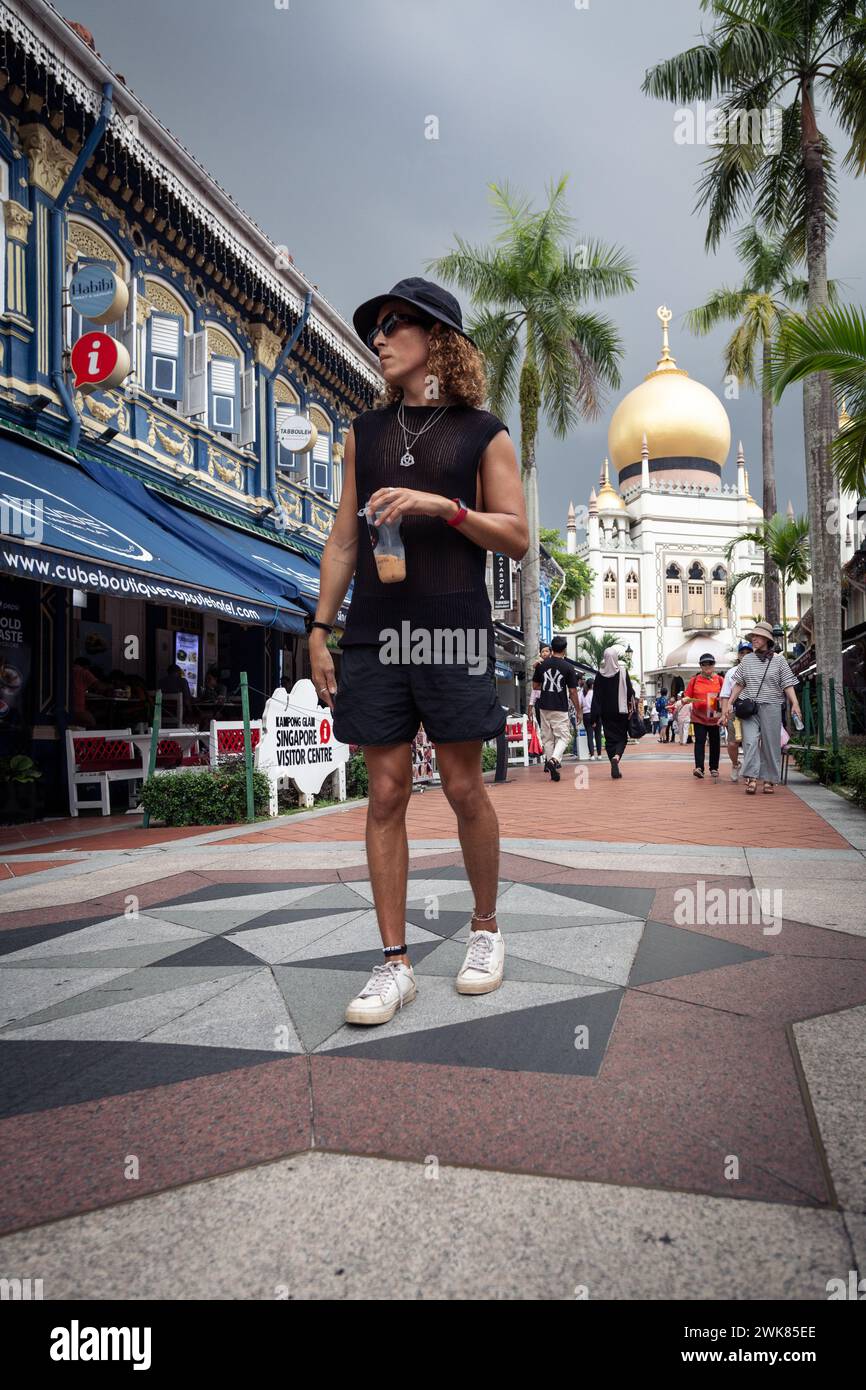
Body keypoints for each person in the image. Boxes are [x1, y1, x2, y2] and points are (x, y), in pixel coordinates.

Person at [309, 276, 528, 1024]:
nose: (378, 338)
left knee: (465, 788)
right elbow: (343, 539)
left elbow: (517, 536)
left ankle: (487, 929)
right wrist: (319, 627)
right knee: (386, 792)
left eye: (393, 324)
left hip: (453, 626)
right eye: (374, 327)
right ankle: (394, 961)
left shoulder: (482, 433)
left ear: (436, 339)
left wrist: (444, 505)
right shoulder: (362, 435)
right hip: (375, 629)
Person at [727, 622, 803, 794]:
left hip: (772, 706)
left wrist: (795, 703)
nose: (754, 639)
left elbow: (787, 683)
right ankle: (752, 778)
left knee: (770, 743)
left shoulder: (779, 660)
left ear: (767, 639)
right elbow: (739, 683)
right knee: (750, 741)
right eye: (753, 636)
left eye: (758, 636)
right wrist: (730, 703)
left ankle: (769, 779)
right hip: (749, 707)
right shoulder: (747, 660)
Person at [532, 635, 581, 782]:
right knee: (564, 737)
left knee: (547, 738)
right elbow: (572, 691)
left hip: (543, 706)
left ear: (552, 649)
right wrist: (578, 710)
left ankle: (550, 764)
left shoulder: (541, 664)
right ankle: (553, 760)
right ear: (564, 649)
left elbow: (535, 686)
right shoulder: (568, 667)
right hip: (559, 707)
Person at [593, 643, 635, 779]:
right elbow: (630, 691)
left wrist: (594, 717)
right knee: (622, 737)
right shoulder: (622, 671)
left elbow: (596, 697)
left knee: (610, 738)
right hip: (621, 711)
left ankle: (612, 758)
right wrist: (631, 706)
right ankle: (616, 757)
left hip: (606, 713)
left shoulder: (599, 675)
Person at [681, 653, 724, 779]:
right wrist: (685, 701)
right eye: (704, 664)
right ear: (700, 666)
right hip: (698, 716)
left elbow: (726, 695)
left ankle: (714, 767)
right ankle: (699, 767)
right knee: (699, 741)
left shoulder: (720, 680)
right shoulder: (695, 680)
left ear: (714, 665)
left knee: (715, 742)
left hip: (714, 716)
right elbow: (687, 695)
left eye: (710, 663)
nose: (707, 666)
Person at [719, 640, 752, 781]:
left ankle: (751, 770)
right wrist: (724, 714)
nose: (745, 655)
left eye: (748, 652)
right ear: (738, 655)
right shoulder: (731, 673)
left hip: (753, 711)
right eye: (742, 653)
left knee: (752, 742)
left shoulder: (757, 670)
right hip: (734, 712)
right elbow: (725, 695)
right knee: (733, 742)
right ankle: (735, 763)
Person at [71, 656, 109, 729]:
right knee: (92, 722)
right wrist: (109, 686)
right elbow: (100, 687)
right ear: (86, 666)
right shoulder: (83, 672)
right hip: (77, 708)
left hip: (64, 706)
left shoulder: (67, 670)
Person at [582, 677, 602, 759]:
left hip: (586, 715)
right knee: (598, 735)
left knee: (589, 735)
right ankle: (599, 754)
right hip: (596, 715)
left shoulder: (584, 694)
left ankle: (592, 755)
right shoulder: (596, 694)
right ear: (593, 685)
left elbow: (581, 704)